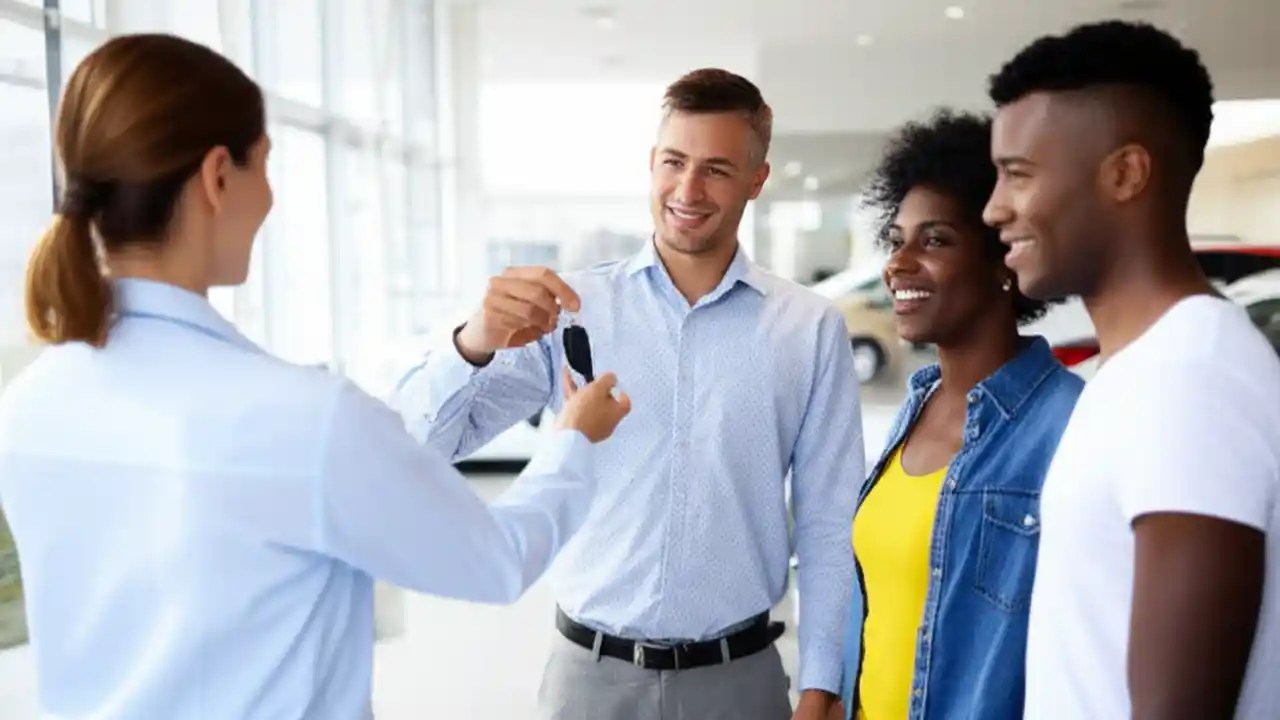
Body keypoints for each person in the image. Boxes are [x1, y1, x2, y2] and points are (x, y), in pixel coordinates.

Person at [0, 34, 631, 718]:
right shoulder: (303, 416)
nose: (271, 198)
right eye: (265, 165)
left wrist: (473, 344)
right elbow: (496, 561)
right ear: (218, 176)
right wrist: (573, 441)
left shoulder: (29, 402)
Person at [393, 69, 863, 720]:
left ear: (757, 180)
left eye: (717, 170)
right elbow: (417, 446)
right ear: (651, 164)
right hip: (589, 681)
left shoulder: (808, 328)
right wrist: (472, 341)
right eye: (674, 162)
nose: (688, 190)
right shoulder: (572, 308)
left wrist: (823, 685)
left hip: (741, 681)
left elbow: (829, 524)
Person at [985, 21, 1280, 719]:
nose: (994, 208)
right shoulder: (1143, 369)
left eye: (1018, 174)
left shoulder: (1191, 380)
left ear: (1126, 174)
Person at [831, 111, 1083, 720]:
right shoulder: (918, 405)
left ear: (1004, 258)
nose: (897, 263)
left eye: (935, 240)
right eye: (897, 240)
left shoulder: (1068, 425)